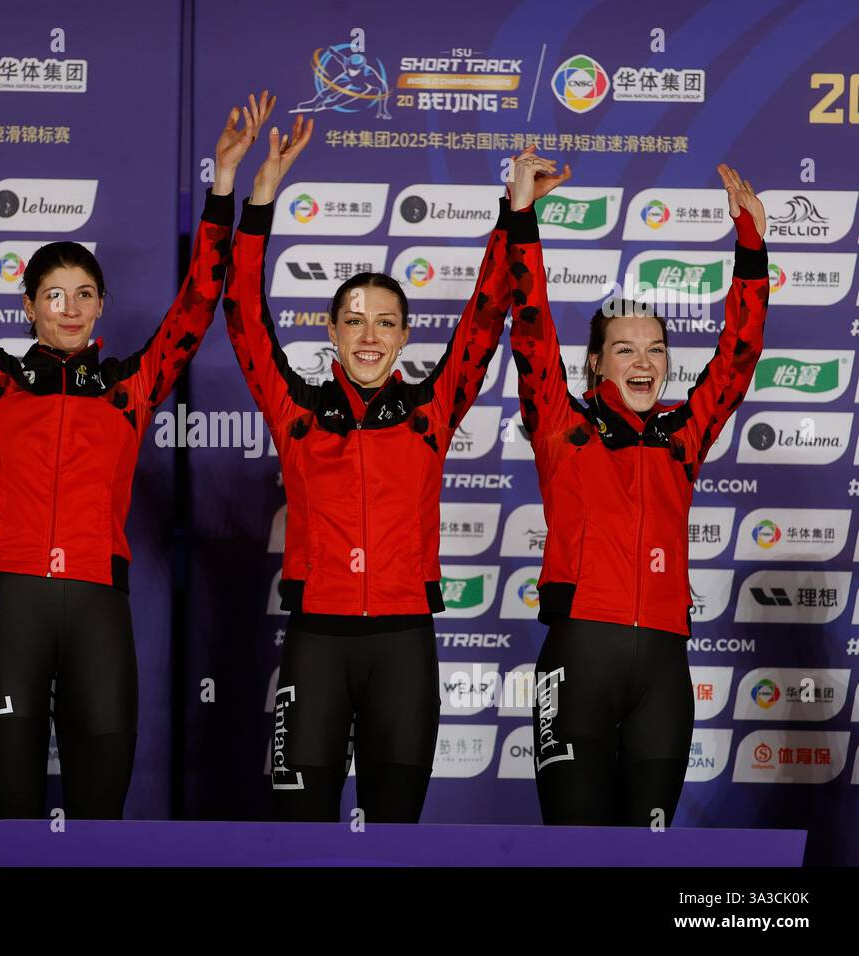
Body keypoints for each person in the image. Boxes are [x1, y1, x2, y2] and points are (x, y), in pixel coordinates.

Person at [0, 75, 269, 819]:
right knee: (10, 808)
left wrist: (225, 183)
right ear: (28, 308)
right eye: (55, 294)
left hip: (96, 605)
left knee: (99, 816)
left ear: (102, 306)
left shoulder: (129, 386)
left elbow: (200, 303)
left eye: (86, 293)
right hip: (9, 599)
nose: (71, 307)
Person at [225, 119, 519, 822]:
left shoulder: (430, 410)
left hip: (404, 644)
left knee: (396, 837)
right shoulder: (296, 410)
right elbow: (240, 312)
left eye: (385, 322)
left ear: (405, 335)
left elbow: (484, 318)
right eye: (354, 321)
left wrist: (513, 212)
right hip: (316, 644)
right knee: (301, 838)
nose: (369, 335)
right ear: (330, 331)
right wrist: (260, 198)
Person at [507, 151, 768, 825]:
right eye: (625, 349)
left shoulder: (683, 437)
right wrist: (523, 218)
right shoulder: (561, 427)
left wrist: (751, 246)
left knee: (648, 858)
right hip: (579, 662)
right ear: (595, 362)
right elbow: (531, 327)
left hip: (661, 668)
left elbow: (738, 354)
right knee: (574, 855)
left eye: (655, 349)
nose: (644, 362)